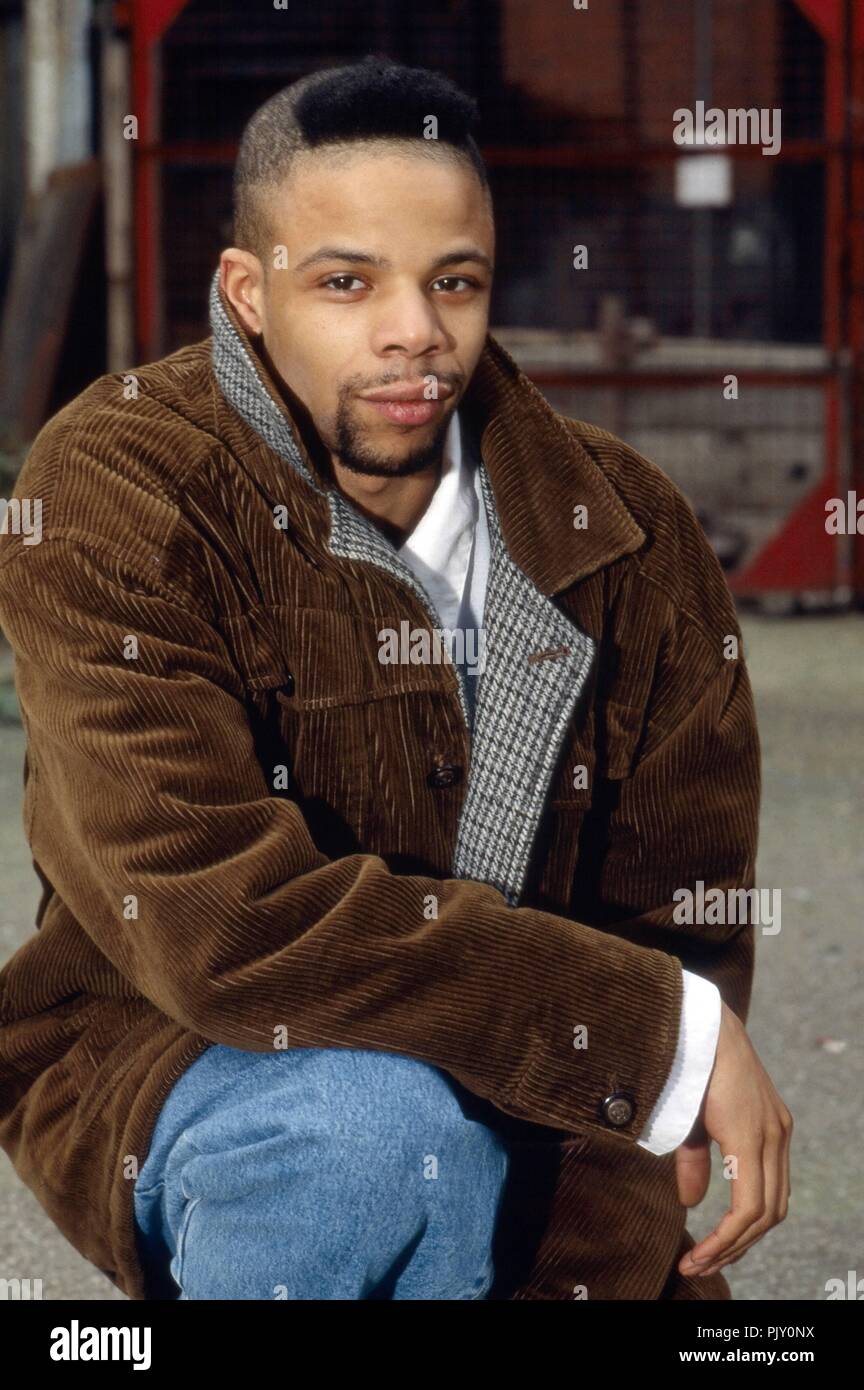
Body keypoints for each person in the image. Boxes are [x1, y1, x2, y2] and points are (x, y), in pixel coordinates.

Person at [0, 56, 790, 1301]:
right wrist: (660, 1037)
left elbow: (675, 915)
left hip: (527, 1088)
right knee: (372, 1135)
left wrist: (635, 1148)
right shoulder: (116, 487)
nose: (414, 332)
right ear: (248, 294)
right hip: (185, 1057)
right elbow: (220, 929)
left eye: (453, 281)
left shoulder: (627, 530)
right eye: (346, 281)